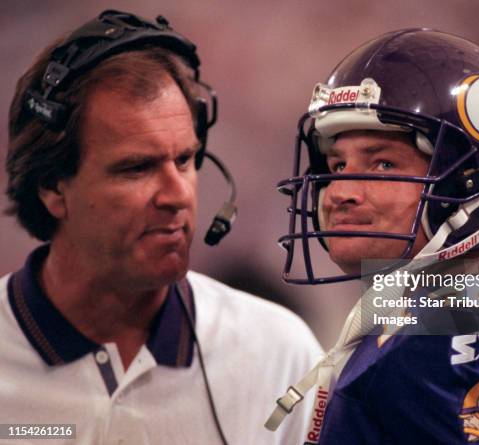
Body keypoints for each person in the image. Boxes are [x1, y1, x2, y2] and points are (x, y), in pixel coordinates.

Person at [266, 29, 479, 444]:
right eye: (338, 166)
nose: (341, 191)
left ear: (472, 185)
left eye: (383, 165)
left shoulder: (434, 335)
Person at [1, 10, 321, 445]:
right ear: (52, 187)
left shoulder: (280, 354)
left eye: (185, 160)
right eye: (136, 168)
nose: (177, 194)